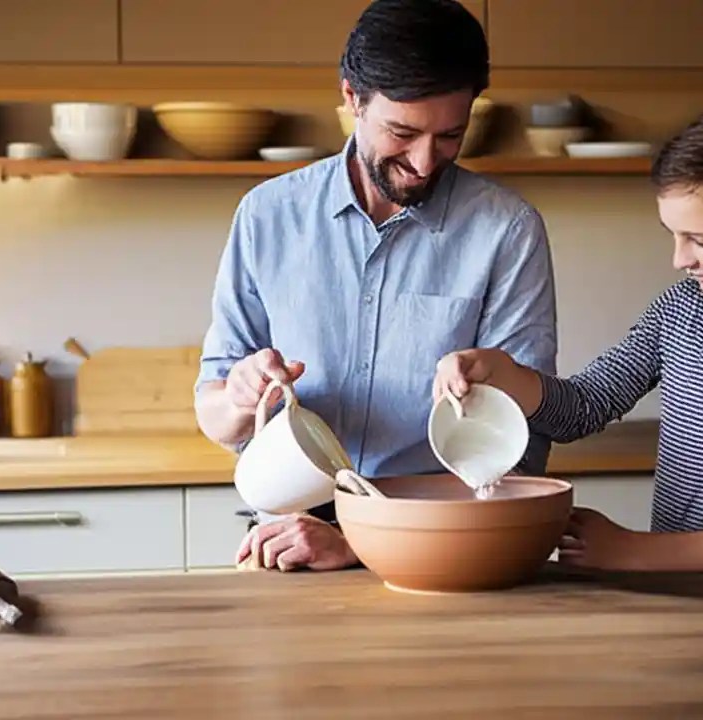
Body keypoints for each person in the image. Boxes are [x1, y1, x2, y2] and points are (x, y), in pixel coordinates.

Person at [433, 101, 703, 575]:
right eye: (673, 235)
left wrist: (632, 551)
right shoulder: (685, 308)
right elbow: (584, 406)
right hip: (676, 593)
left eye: (701, 241)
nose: (680, 259)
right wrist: (503, 373)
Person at [195, 0, 558, 572]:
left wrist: (364, 540)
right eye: (402, 132)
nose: (423, 161)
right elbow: (214, 415)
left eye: (449, 136)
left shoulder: (506, 231)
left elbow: (516, 454)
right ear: (352, 99)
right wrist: (240, 397)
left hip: (442, 551)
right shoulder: (267, 215)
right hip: (287, 542)